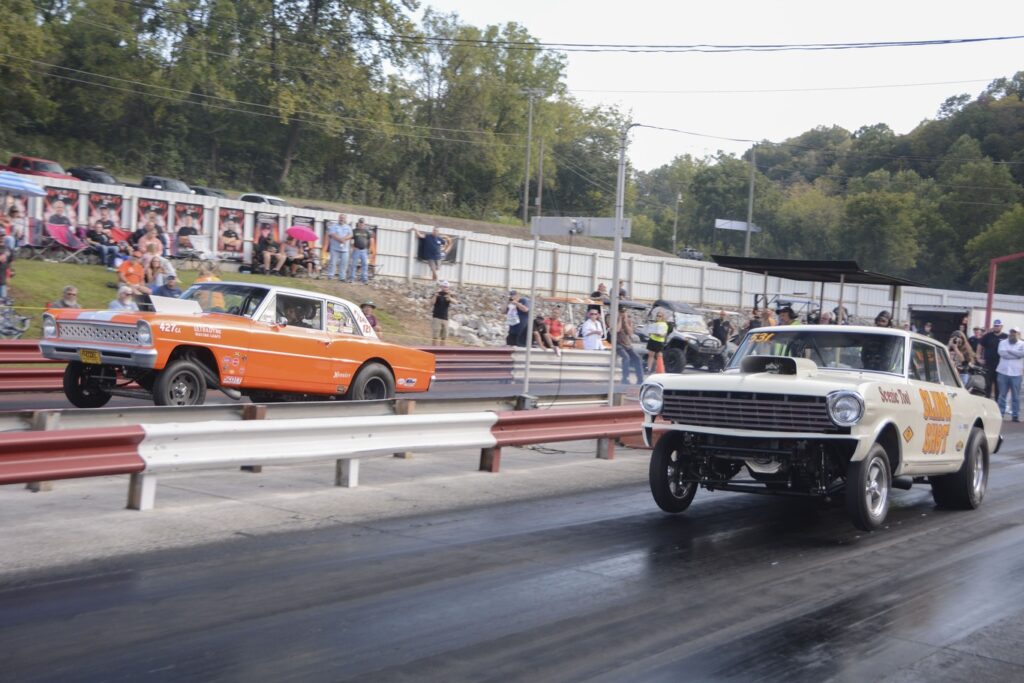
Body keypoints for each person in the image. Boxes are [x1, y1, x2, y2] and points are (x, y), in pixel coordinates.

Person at [996, 326, 1024, 422]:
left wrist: (1010, 351)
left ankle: (1015, 415)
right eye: (1011, 332)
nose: (1012, 334)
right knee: (1002, 395)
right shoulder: (1002, 342)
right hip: (1003, 371)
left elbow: (1022, 354)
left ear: (1018, 334)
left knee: (1015, 396)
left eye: (1015, 332)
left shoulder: (1022, 344)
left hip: (1016, 373)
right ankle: (1001, 413)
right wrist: (1015, 354)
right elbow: (1002, 353)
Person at [980, 320, 1008, 399]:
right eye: (995, 325)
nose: (996, 327)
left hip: (1000, 364)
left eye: (998, 326)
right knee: (987, 384)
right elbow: (980, 345)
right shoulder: (987, 336)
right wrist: (978, 357)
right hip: (988, 364)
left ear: (1001, 326)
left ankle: (997, 403)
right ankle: (986, 401)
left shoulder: (1006, 337)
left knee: (998, 385)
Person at [616, 310, 644, 384]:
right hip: (618, 344)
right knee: (626, 357)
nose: (623, 315)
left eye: (625, 314)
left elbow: (630, 332)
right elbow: (617, 330)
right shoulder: (615, 321)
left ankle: (640, 379)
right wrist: (620, 320)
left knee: (637, 358)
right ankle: (625, 378)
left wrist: (625, 322)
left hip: (628, 345)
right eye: (621, 313)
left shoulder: (629, 322)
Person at [326, 213, 353, 280]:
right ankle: (330, 276)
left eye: (343, 218)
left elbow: (350, 235)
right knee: (333, 263)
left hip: (345, 249)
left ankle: (342, 277)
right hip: (335, 248)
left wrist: (344, 239)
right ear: (338, 218)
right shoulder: (334, 226)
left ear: (345, 219)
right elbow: (332, 234)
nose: (341, 219)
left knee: (344, 264)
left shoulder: (348, 227)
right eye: (340, 218)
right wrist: (340, 239)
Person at [431, 281, 457, 345]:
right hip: (436, 317)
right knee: (435, 335)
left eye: (446, 287)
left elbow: (455, 302)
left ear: (448, 288)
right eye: (443, 287)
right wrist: (435, 295)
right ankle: (434, 349)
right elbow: (432, 303)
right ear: (441, 287)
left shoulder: (448, 295)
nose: (445, 288)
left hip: (445, 318)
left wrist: (449, 298)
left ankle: (442, 350)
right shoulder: (437, 294)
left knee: (444, 336)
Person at [348, 218, 372, 284]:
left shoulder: (367, 232)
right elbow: (350, 239)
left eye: (362, 223)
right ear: (358, 223)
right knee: (353, 264)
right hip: (356, 250)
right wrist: (352, 246)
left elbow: (369, 241)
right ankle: (351, 278)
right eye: (360, 222)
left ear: (364, 224)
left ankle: (364, 279)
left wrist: (369, 249)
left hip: (364, 250)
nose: (361, 224)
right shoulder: (354, 231)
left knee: (365, 264)